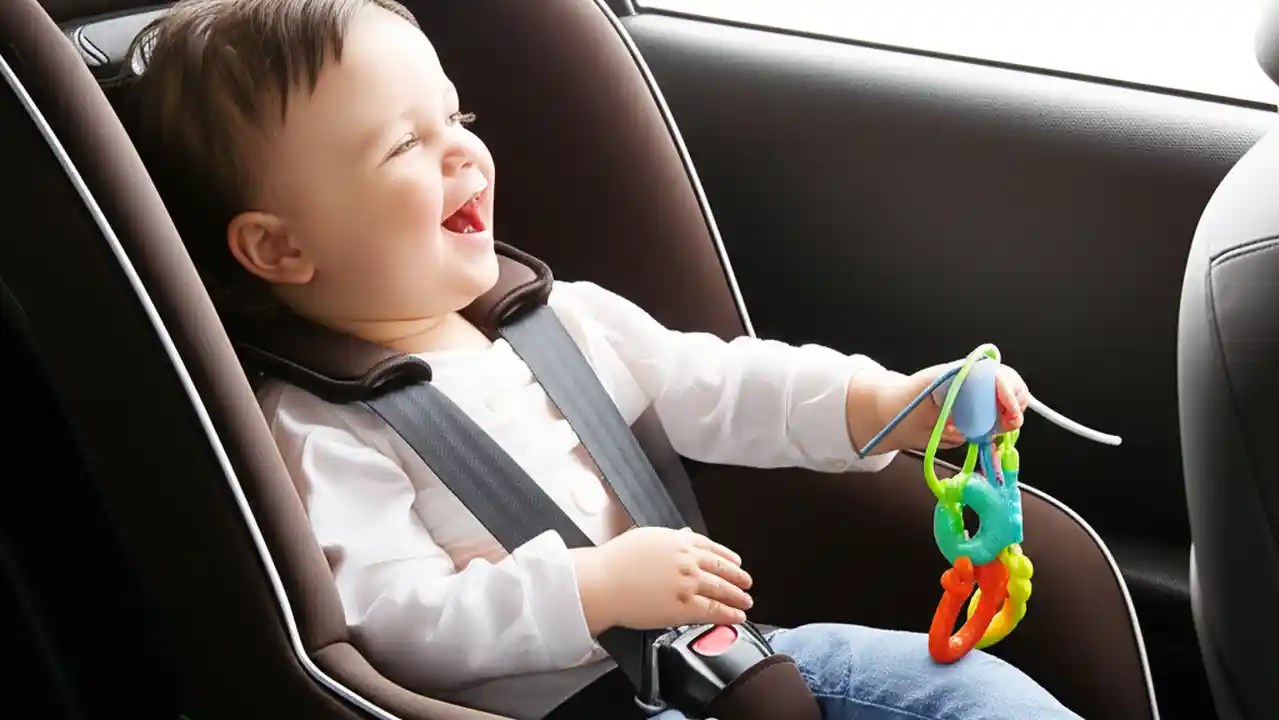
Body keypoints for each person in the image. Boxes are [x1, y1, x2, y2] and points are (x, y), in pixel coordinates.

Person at [125, 1, 1080, 718]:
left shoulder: (564, 319)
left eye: (458, 120)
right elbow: (394, 623)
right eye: (406, 145)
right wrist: (591, 591)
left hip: (739, 660)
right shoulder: (317, 427)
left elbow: (724, 383)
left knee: (970, 695)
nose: (463, 156)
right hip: (577, 706)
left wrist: (890, 403)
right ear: (282, 249)